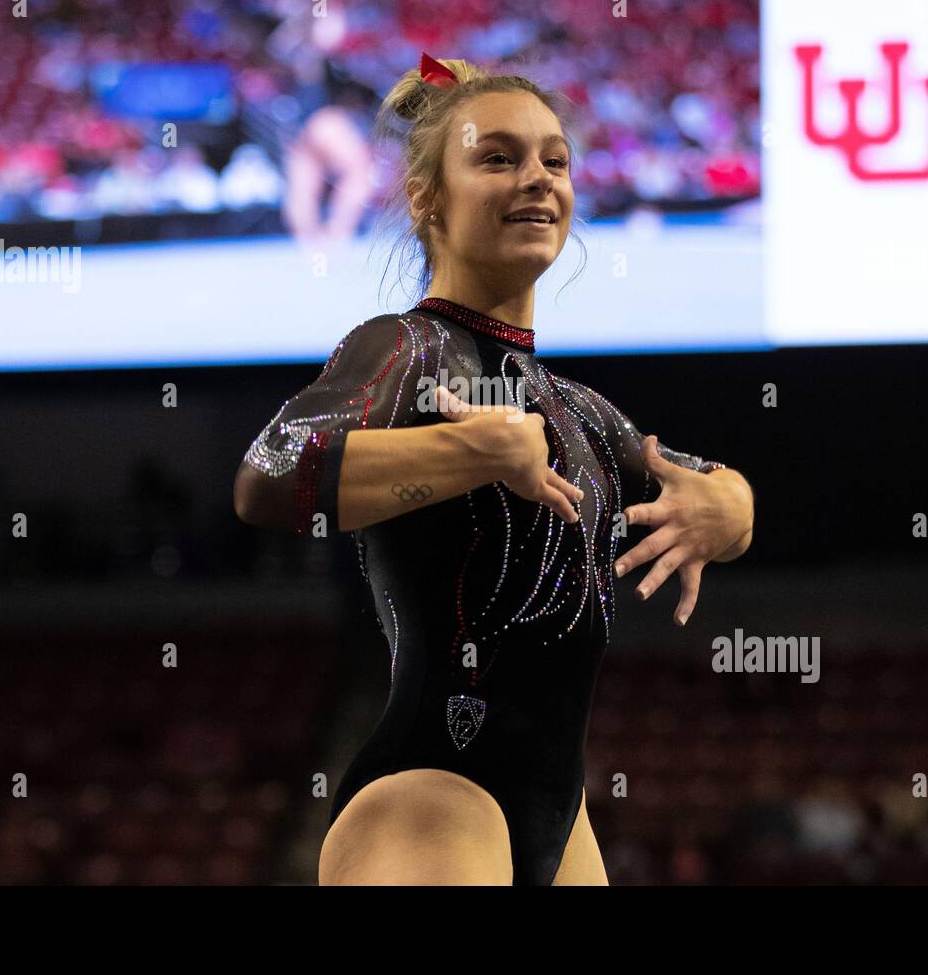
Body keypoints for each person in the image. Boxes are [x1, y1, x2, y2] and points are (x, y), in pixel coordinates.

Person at [233, 54, 754, 885]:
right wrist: (468, 449)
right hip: (430, 800)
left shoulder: (578, 410)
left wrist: (729, 508)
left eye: (555, 159)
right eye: (498, 158)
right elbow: (267, 475)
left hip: (560, 818)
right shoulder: (405, 347)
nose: (538, 179)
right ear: (426, 200)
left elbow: (702, 478)